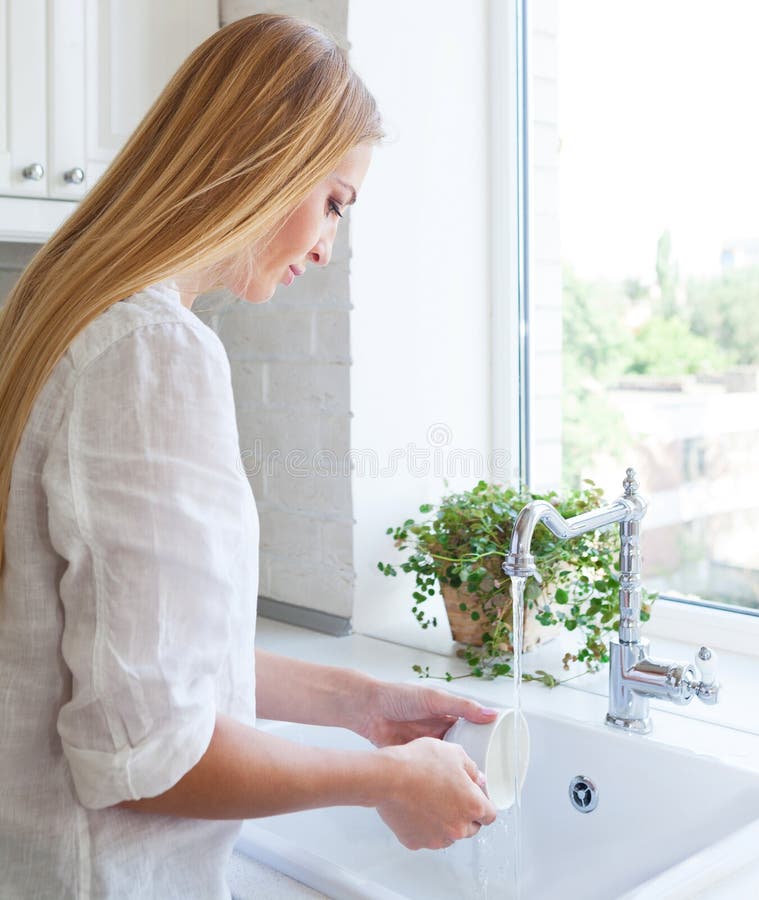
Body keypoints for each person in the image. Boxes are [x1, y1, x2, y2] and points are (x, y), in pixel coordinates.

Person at [0, 13, 497, 899]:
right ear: (267, 161)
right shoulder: (152, 353)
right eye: (335, 201)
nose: (329, 244)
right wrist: (385, 783)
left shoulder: (62, 316)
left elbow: (144, 666)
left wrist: (360, 704)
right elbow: (154, 758)